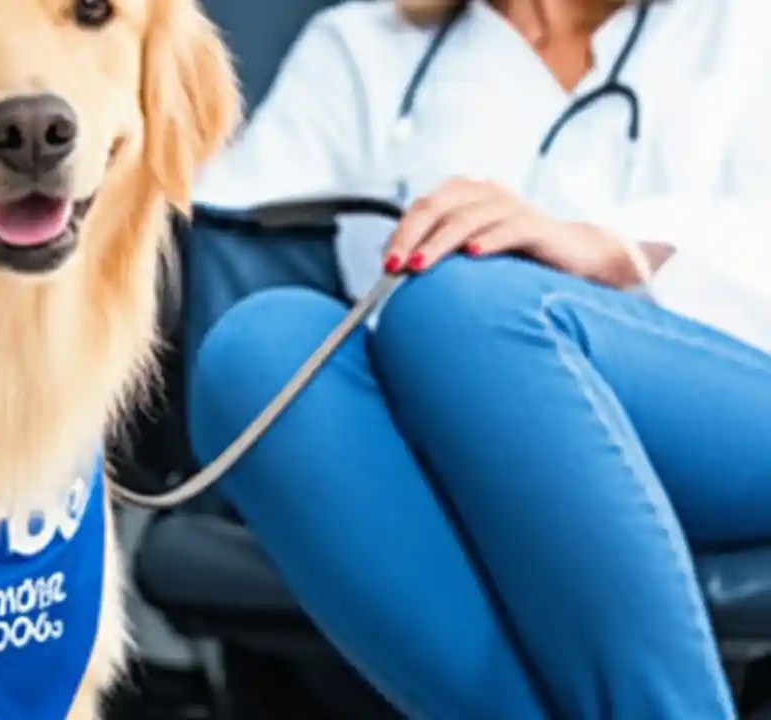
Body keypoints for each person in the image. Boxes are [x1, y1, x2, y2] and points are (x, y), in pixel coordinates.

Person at [187, 0, 771, 718]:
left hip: (731, 414)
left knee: (462, 305)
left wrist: (614, 252)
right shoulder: (362, 48)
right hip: (471, 438)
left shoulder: (741, 24)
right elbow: (210, 221)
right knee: (257, 352)